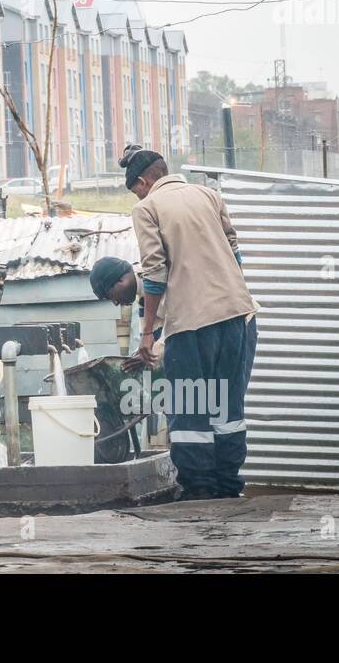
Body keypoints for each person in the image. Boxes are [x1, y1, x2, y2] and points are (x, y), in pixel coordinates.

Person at [115, 145, 260, 501]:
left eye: (135, 187)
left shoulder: (147, 208)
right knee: (228, 406)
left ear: (145, 181)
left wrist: (148, 334)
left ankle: (199, 492)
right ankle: (228, 487)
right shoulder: (209, 195)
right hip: (239, 317)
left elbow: (154, 273)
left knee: (192, 408)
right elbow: (234, 250)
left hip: (192, 324)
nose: (137, 193)